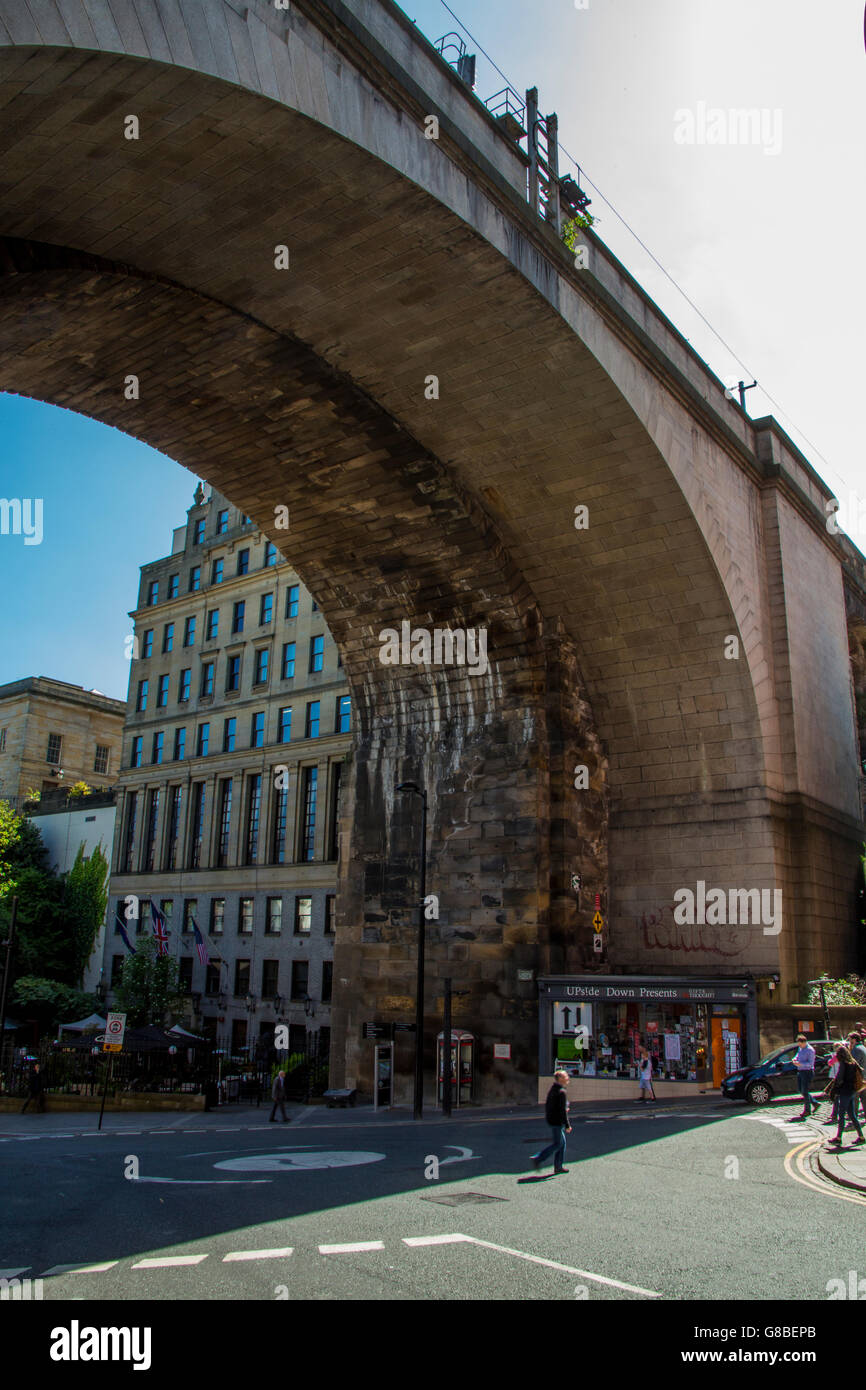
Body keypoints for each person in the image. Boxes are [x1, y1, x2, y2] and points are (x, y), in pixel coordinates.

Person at [531, 1070, 572, 1175]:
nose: (567, 1078)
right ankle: (538, 1158)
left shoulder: (553, 1089)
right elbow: (562, 1111)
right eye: (565, 1076)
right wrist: (567, 1125)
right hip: (557, 1121)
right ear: (560, 1079)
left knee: (562, 1144)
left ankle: (558, 1167)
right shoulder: (561, 1092)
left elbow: (551, 1105)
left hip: (552, 1120)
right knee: (558, 1144)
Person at [825, 1045, 865, 1150]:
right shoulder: (853, 1062)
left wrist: (834, 1089)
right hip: (852, 1091)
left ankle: (838, 1138)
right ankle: (861, 1136)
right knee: (852, 1115)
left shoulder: (844, 1064)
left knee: (841, 1115)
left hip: (845, 1092)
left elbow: (839, 1078)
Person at [790, 1033, 817, 1119]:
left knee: (805, 1091)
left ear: (803, 1042)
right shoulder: (800, 1048)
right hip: (800, 1071)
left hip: (807, 1072)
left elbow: (810, 1064)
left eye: (799, 1043)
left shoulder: (810, 1050)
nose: (799, 1045)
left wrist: (800, 1064)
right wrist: (794, 1059)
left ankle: (807, 1111)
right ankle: (815, 1103)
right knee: (800, 1090)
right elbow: (797, 1055)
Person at [848, 1031, 866, 1126]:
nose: (849, 1042)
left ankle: (854, 1118)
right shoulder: (863, 1047)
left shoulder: (856, 1049)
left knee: (854, 1099)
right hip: (864, 1077)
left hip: (858, 1078)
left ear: (854, 1040)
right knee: (864, 1098)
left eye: (850, 1040)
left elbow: (853, 1064)